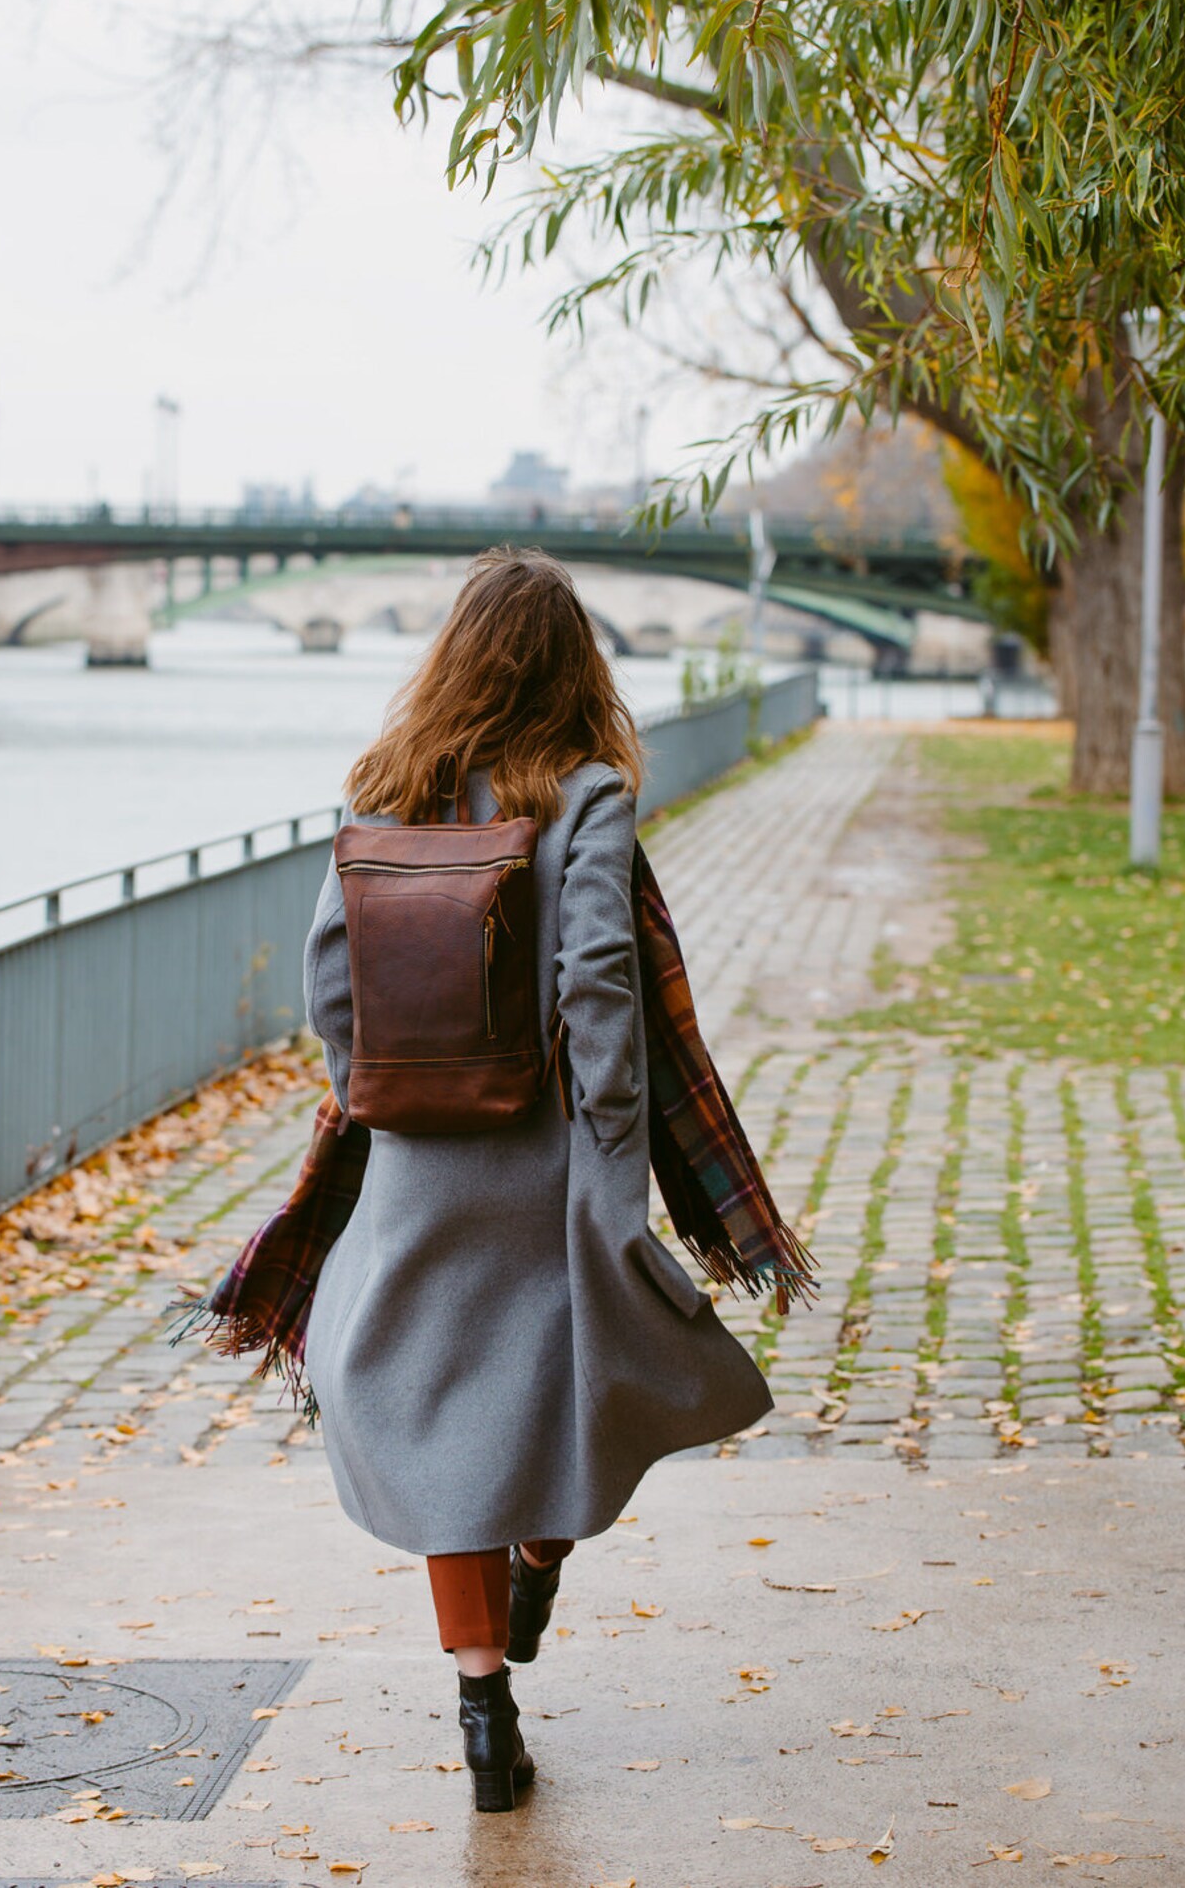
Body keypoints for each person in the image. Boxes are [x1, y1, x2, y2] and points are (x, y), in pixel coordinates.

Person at [297, 548, 777, 1810]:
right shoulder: (588, 794)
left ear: (453, 655)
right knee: (577, 1395)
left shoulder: (382, 787)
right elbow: (599, 986)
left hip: (416, 1159)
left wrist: (374, 1094)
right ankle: (538, 1565)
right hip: (548, 1158)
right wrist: (613, 1162)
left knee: (432, 1415)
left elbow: (330, 975)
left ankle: (479, 1701)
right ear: (576, 666)